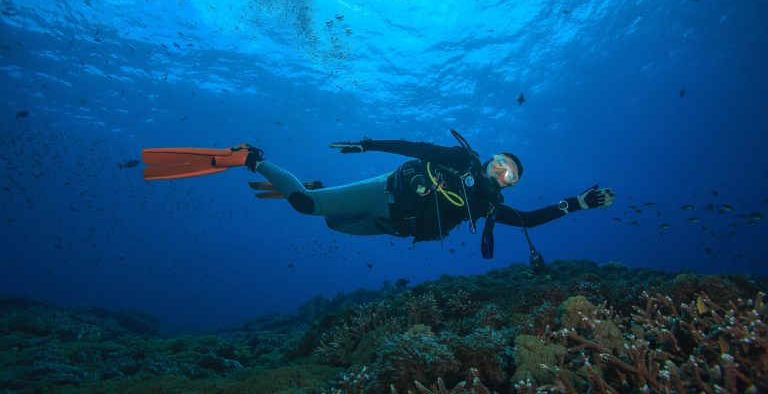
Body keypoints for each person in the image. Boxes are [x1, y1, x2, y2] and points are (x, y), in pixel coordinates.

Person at [142, 130, 615, 268]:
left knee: (330, 224)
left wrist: (578, 203)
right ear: (488, 159)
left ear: (510, 185)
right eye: (499, 162)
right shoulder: (458, 160)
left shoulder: (487, 207)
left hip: (391, 226)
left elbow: (530, 219)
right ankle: (251, 157)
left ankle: (318, 191)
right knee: (307, 208)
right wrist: (367, 145)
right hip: (383, 191)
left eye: (509, 174)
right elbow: (415, 149)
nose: (501, 172)